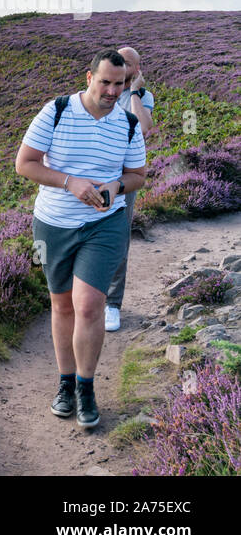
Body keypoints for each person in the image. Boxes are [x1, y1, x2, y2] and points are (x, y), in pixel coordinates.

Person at [14, 50, 147, 429]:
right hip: (53, 223)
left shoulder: (127, 124)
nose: (111, 90)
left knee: (89, 305)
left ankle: (86, 388)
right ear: (89, 77)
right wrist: (69, 182)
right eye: (105, 81)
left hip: (104, 225)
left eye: (119, 84)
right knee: (62, 306)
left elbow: (138, 175)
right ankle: (65, 383)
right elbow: (25, 163)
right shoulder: (55, 111)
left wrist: (115, 186)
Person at [103, 46, 155, 331]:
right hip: (95, 172)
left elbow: (144, 127)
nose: (123, 67)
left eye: (129, 64)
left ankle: (112, 304)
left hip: (125, 176)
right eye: (120, 62)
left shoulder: (142, 96)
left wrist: (134, 92)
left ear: (137, 69)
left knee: (118, 236)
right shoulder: (104, 91)